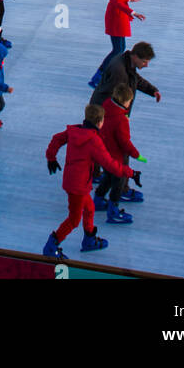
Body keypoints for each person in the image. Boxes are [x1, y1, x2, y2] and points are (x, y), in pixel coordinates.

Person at [42, 103, 140, 259]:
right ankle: (52, 245)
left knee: (90, 209)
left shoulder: (74, 131)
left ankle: (89, 239)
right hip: (78, 187)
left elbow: (56, 139)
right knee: (74, 220)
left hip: (75, 182)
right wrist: (130, 172)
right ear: (100, 122)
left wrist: (51, 157)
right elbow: (110, 164)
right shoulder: (94, 141)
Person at [88, 0, 144, 89]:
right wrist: (133, 12)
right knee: (117, 49)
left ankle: (105, 75)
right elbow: (115, 1)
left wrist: (130, 0)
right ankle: (100, 75)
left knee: (120, 48)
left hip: (120, 16)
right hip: (116, 17)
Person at [92, 83, 142, 224]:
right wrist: (136, 154)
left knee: (107, 178)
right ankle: (113, 211)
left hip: (103, 153)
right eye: (129, 101)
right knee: (118, 182)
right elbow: (124, 142)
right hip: (116, 156)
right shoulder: (121, 120)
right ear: (125, 101)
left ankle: (98, 199)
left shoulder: (106, 107)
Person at [90, 40, 161, 112]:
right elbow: (115, 100)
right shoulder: (119, 73)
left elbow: (134, 78)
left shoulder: (126, 61)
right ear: (135, 57)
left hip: (102, 110)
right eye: (144, 62)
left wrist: (152, 90)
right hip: (102, 114)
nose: (146, 65)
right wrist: (123, 117)